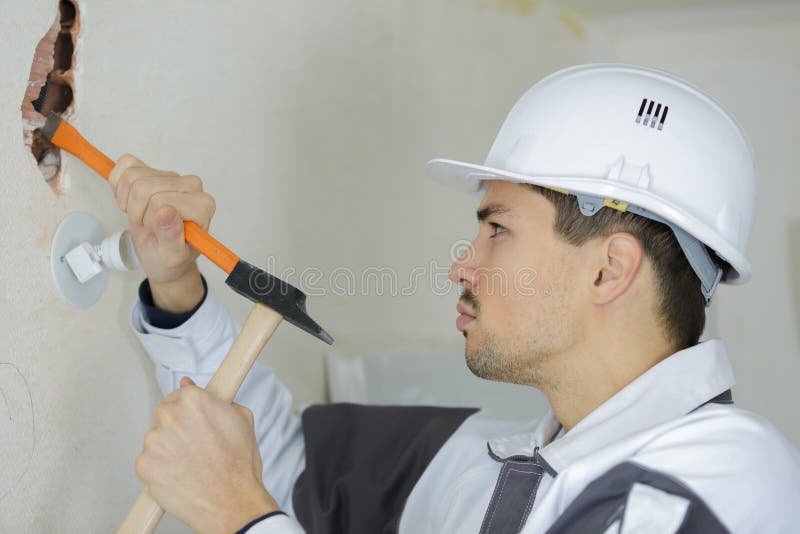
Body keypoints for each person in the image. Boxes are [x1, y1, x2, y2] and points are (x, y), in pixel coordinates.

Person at [115, 64, 800, 533]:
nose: (461, 265)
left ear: (608, 270)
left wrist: (237, 517)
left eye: (497, 228)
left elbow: (244, 496)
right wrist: (177, 284)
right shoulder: (481, 463)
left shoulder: (717, 488)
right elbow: (277, 471)